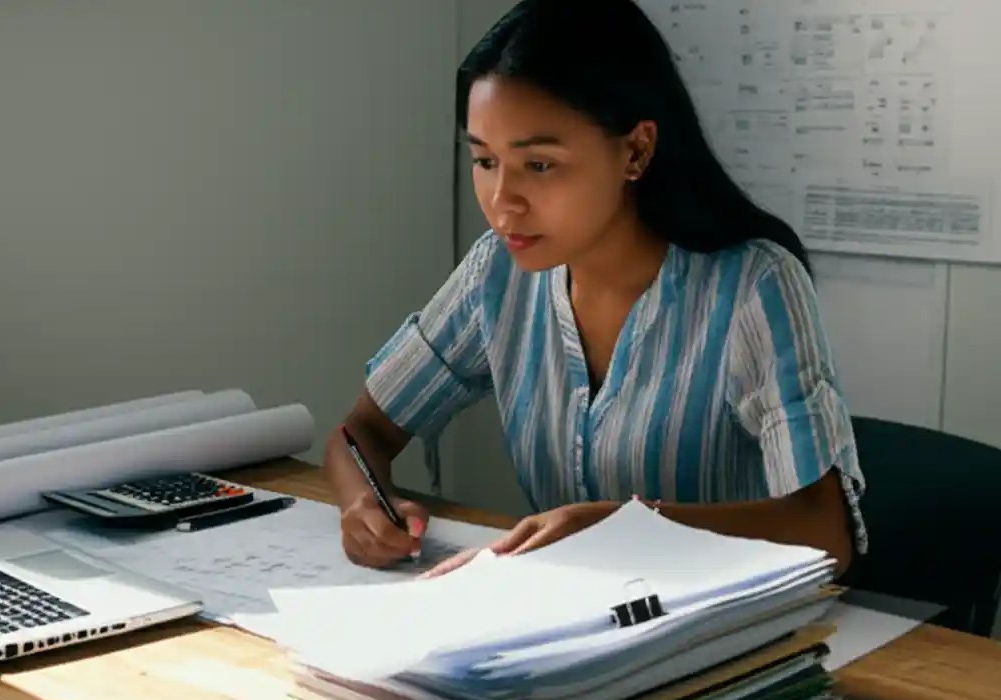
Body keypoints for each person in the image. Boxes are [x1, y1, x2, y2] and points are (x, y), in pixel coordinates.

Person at [323, 0, 867, 578]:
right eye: (485, 160)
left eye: (539, 165)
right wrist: (363, 502)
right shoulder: (497, 274)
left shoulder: (753, 286)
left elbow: (825, 531)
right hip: (568, 625)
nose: (502, 201)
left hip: (723, 633)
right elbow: (362, 433)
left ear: (635, 150)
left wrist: (623, 528)